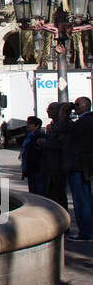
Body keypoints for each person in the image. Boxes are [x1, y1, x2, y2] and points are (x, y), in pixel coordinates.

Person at [59, 96, 93, 239]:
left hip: (78, 165)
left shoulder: (85, 121)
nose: (75, 107)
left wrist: (63, 113)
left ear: (86, 105)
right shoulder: (86, 121)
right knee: (84, 199)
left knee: (81, 200)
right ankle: (86, 231)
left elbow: (65, 128)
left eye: (78, 105)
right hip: (82, 165)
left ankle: (86, 232)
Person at [42, 101, 69, 209]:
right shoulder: (52, 125)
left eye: (51, 109)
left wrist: (45, 143)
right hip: (50, 165)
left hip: (58, 165)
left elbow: (61, 144)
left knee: (59, 195)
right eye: (48, 109)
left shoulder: (62, 126)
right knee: (51, 194)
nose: (48, 111)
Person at [20, 116, 47, 197]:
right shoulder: (28, 136)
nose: (27, 125)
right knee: (32, 193)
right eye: (27, 123)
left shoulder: (40, 136)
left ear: (37, 126)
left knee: (40, 193)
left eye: (30, 124)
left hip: (38, 168)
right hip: (30, 168)